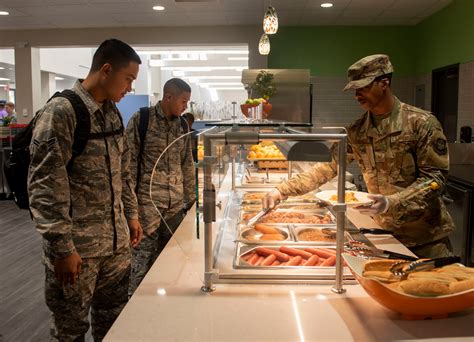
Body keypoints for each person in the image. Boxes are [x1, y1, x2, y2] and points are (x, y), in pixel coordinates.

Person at [263, 54, 455, 259]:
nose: (357, 95)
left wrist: (391, 202)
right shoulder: (357, 131)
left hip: (426, 241)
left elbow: (435, 180)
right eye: (355, 89)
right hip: (382, 237)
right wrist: (281, 191)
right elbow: (328, 167)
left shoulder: (421, 123)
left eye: (363, 87)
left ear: (384, 83)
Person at [28, 39, 143, 341]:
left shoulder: (112, 113)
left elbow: (123, 172)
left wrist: (131, 214)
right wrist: (62, 248)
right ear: (106, 70)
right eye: (128, 79)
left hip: (116, 248)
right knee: (71, 330)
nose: (130, 87)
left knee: (116, 322)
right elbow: (45, 187)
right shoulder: (62, 112)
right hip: (79, 251)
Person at [126, 78, 196, 295]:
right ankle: (136, 311)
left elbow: (187, 164)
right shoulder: (142, 120)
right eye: (183, 101)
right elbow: (128, 166)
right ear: (168, 97)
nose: (185, 106)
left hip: (175, 207)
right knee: (142, 264)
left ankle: (168, 308)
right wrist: (131, 212)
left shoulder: (183, 124)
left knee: (173, 261)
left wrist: (193, 202)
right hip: (147, 208)